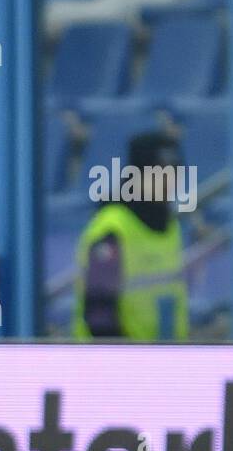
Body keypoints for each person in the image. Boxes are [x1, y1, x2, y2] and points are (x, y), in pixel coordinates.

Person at [74, 131, 189, 341]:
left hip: (166, 362)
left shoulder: (170, 226)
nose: (169, 182)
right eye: (160, 173)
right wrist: (126, 364)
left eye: (175, 174)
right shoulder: (113, 228)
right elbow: (100, 315)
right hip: (115, 365)